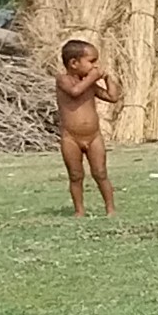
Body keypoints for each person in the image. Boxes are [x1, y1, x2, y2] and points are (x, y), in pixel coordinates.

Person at [53, 37, 115, 214]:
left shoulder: (91, 85)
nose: (95, 66)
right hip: (70, 138)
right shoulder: (63, 80)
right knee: (75, 175)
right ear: (73, 63)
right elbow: (75, 92)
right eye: (92, 61)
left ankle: (110, 208)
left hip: (94, 136)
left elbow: (112, 97)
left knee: (101, 173)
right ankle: (79, 210)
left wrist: (107, 79)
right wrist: (93, 77)